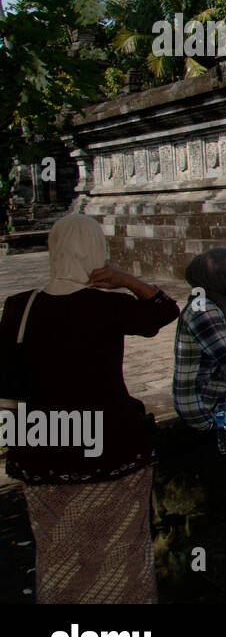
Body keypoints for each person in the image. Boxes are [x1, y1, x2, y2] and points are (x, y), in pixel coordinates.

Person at [0, 214, 179, 603]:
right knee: (121, 554)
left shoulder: (19, 306)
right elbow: (165, 310)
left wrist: (12, 443)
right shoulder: (107, 306)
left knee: (58, 555)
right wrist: (126, 279)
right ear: (96, 251)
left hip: (43, 450)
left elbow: (7, 383)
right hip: (110, 448)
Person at [172, 247, 226, 436]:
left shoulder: (220, 304)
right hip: (203, 405)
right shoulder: (204, 311)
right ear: (216, 277)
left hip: (216, 386)